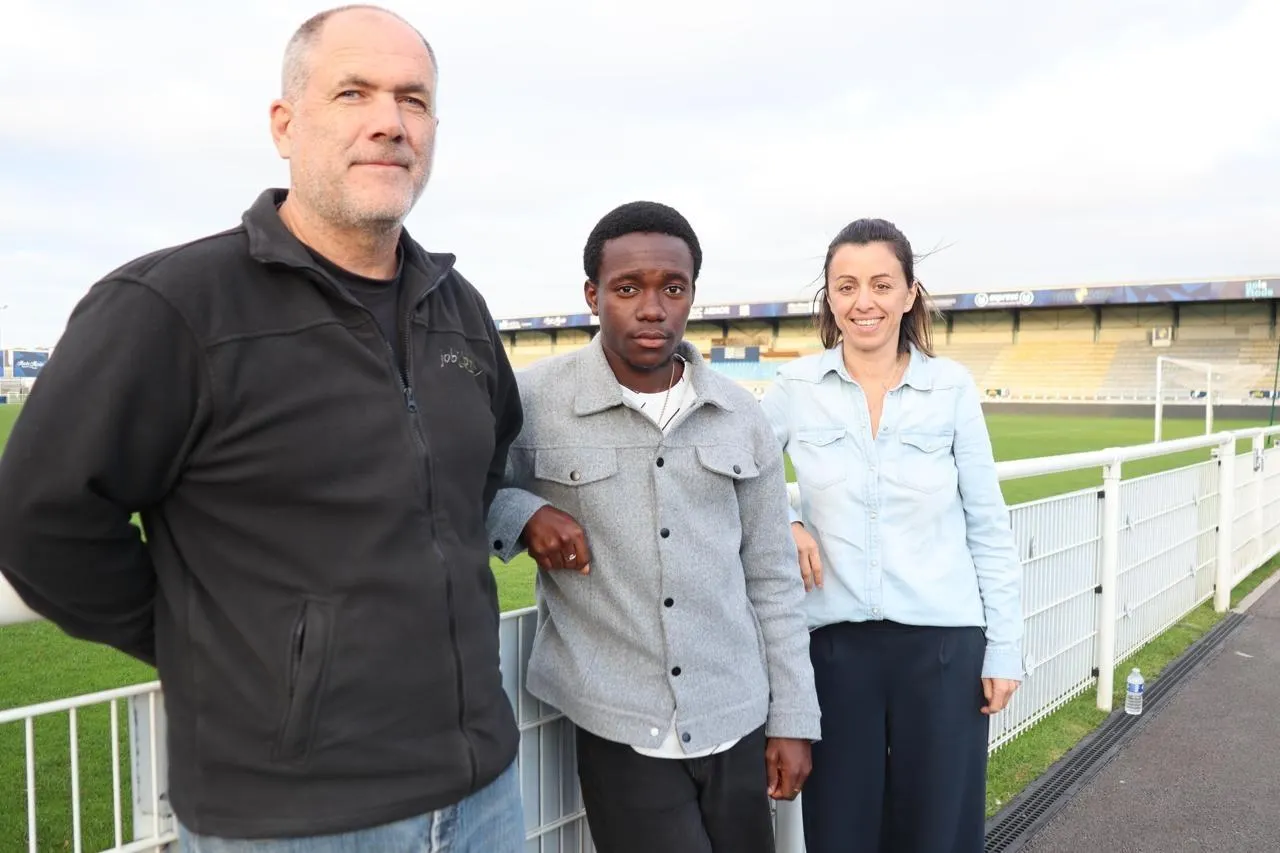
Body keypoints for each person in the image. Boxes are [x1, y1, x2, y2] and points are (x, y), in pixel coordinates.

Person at [0, 6, 526, 851]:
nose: (389, 122)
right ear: (286, 124)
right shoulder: (171, 307)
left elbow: (485, 462)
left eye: (414, 100)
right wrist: (215, 645)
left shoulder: (457, 309)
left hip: (485, 792)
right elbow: (39, 519)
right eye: (352, 93)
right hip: (294, 820)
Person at [486, 201, 822, 853]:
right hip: (620, 724)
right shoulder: (531, 403)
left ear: (692, 293)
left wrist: (793, 717)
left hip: (738, 712)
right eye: (627, 287)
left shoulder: (738, 416)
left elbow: (774, 581)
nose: (652, 307)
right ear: (593, 294)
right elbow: (463, 488)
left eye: (673, 288)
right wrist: (522, 515)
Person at [760, 218, 1023, 853]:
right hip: (836, 650)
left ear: (909, 293)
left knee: (940, 832)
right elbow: (743, 482)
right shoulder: (794, 389)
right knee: (841, 832)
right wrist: (786, 521)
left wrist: (1005, 648)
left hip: (943, 648)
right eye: (845, 287)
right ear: (829, 299)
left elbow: (988, 522)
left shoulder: (951, 387)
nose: (864, 302)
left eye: (881, 284)